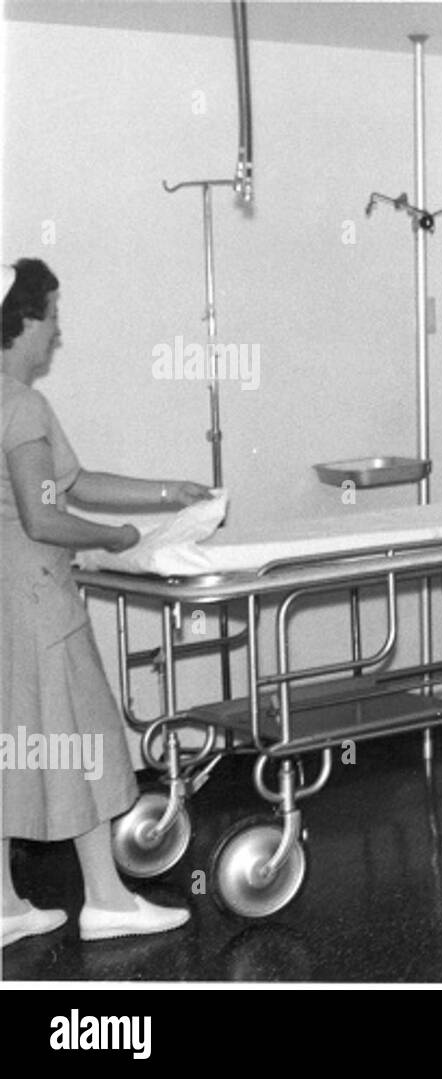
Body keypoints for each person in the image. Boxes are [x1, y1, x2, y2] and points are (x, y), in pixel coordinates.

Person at [2, 258, 211, 946]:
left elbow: (76, 480)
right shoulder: (21, 405)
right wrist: (116, 538)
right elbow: (44, 515)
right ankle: (107, 897)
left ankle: (5, 907)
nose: (57, 332)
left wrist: (163, 492)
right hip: (38, 603)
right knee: (88, 737)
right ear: (23, 318)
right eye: (53, 314)